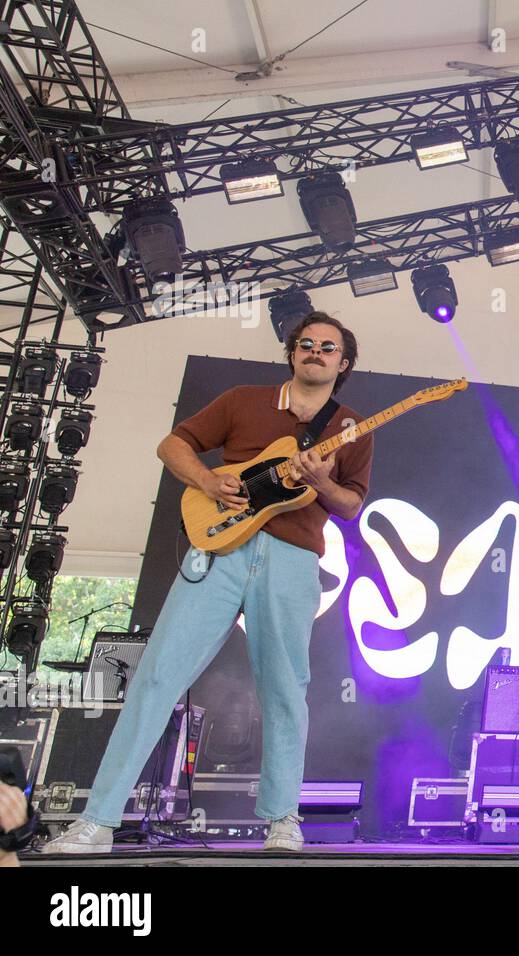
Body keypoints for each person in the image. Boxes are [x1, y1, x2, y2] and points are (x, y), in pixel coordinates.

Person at [45, 312, 374, 854]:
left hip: (292, 560)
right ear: (293, 353)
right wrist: (206, 478)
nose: (315, 351)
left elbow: (351, 504)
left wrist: (320, 483)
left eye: (328, 347)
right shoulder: (243, 398)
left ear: (343, 363)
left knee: (286, 689)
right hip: (219, 549)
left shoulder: (351, 428)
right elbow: (173, 445)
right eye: (306, 344)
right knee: (156, 678)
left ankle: (282, 820)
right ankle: (98, 822)